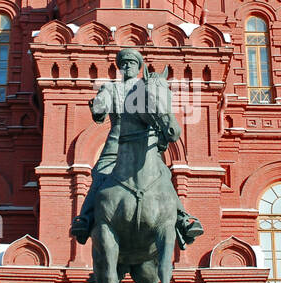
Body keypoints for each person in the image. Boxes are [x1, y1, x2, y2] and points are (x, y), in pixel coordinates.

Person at [69, 47, 204, 247]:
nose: (127, 66)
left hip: (146, 145)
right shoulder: (111, 88)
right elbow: (101, 109)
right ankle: (85, 218)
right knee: (100, 174)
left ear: (139, 67)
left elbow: (159, 109)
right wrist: (98, 107)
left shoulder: (147, 88)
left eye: (131, 63)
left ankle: (183, 219)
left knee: (164, 175)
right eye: (123, 64)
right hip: (116, 145)